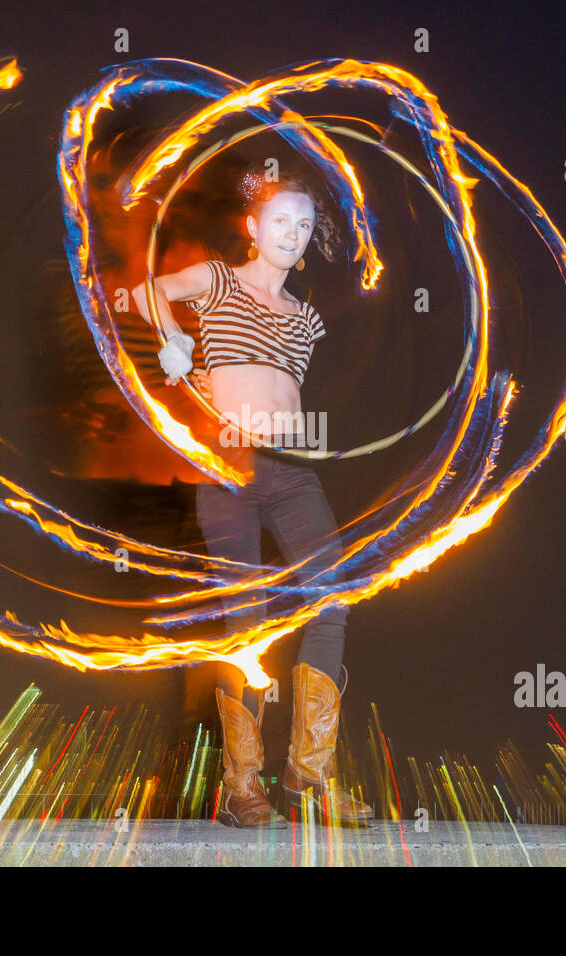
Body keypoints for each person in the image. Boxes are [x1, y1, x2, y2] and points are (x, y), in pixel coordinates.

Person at [130, 166, 373, 828]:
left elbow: (279, 390)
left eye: (304, 226)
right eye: (280, 221)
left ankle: (308, 778)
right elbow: (147, 290)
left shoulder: (307, 317)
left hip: (291, 470)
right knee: (249, 617)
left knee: (332, 600)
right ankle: (243, 787)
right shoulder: (217, 280)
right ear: (252, 225)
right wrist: (175, 341)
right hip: (227, 469)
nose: (292, 235)